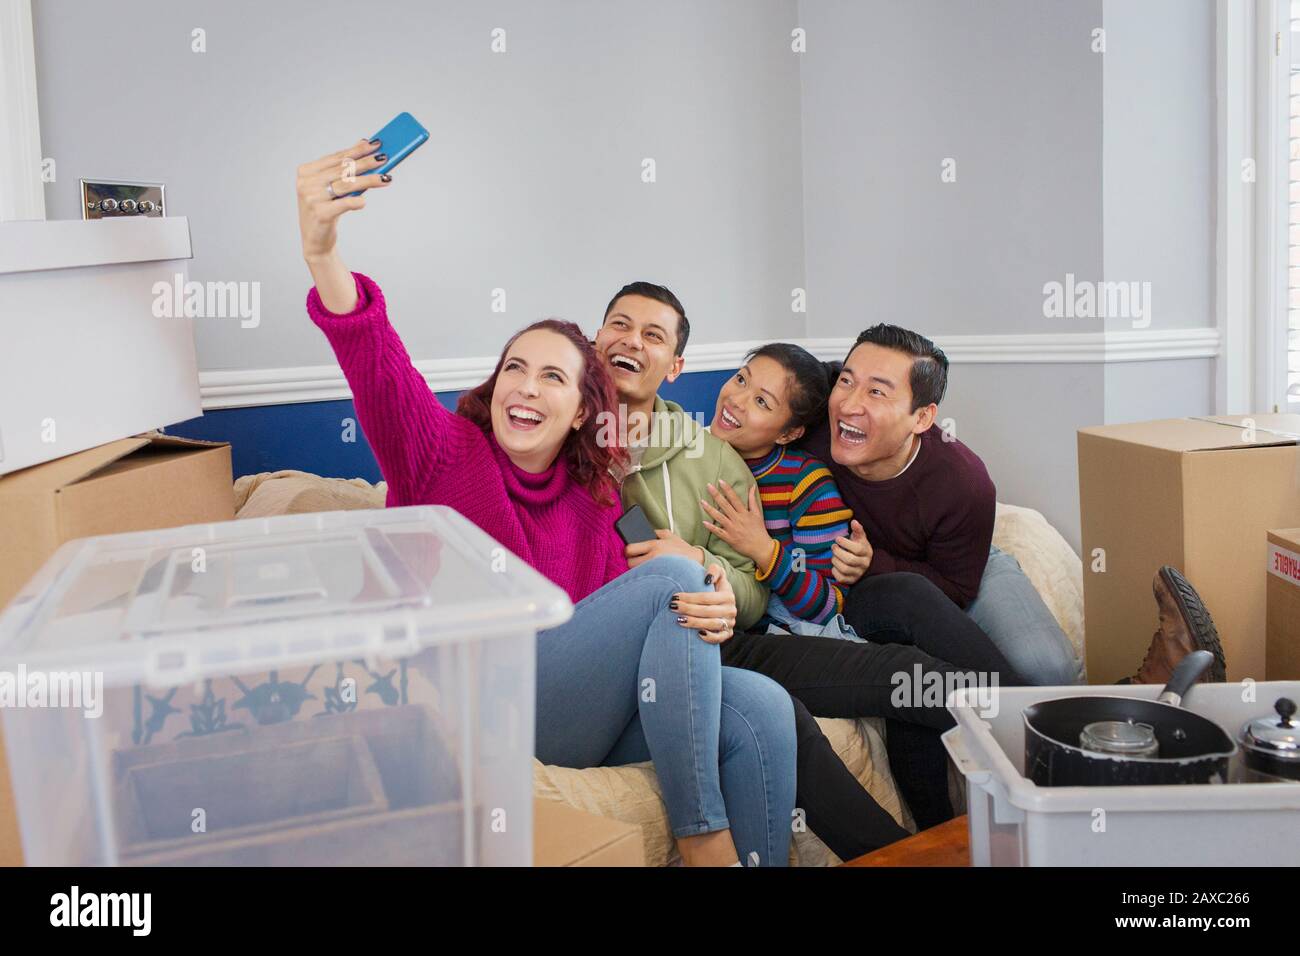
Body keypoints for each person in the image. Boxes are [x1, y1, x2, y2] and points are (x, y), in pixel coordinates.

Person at [295, 138, 798, 866]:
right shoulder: (442, 453)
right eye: (514, 369)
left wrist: (718, 591)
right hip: (476, 709)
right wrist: (321, 250)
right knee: (676, 582)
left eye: (552, 378)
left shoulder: (597, 489)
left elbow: (652, 600)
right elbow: (374, 356)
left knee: (764, 710)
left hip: (575, 712)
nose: (526, 386)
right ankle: (704, 841)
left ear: (580, 411)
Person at [591, 286, 1028, 853]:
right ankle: (920, 845)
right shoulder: (574, 443)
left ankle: (1040, 744)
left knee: (911, 667)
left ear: (676, 366)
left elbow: (751, 589)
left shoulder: (717, 455)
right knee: (790, 707)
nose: (851, 400)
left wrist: (718, 564)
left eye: (653, 336)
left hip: (750, 626)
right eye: (619, 326)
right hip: (683, 642)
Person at [805, 324, 1227, 686]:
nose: (850, 403)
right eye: (847, 381)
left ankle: (1133, 695)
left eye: (877, 392)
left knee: (1047, 667)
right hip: (870, 581)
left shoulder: (964, 482)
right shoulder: (807, 419)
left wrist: (873, 563)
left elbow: (956, 588)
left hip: (951, 564)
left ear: (922, 418)